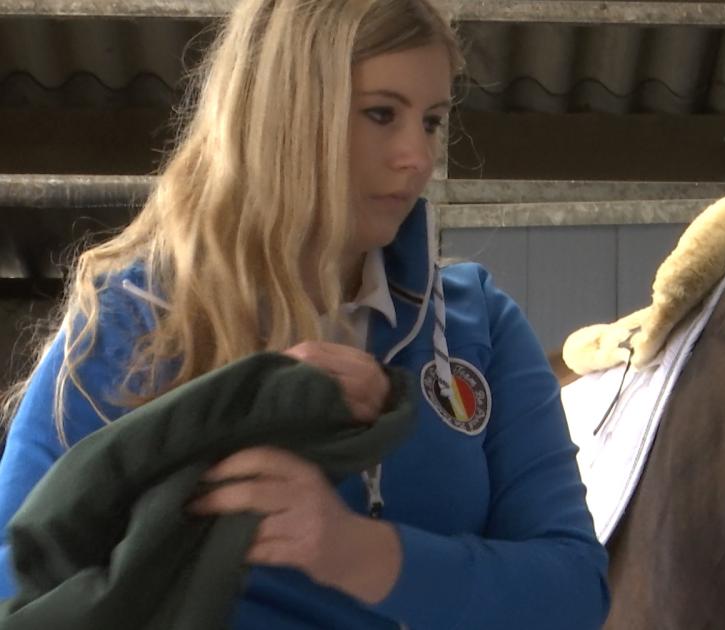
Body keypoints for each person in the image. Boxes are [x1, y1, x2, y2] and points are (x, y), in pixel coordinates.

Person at [0, 0, 611, 628]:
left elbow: (574, 589)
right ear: (283, 115)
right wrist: (227, 415)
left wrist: (357, 553)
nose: (418, 157)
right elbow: (18, 576)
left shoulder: (477, 326)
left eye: (431, 121)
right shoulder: (134, 317)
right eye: (381, 114)